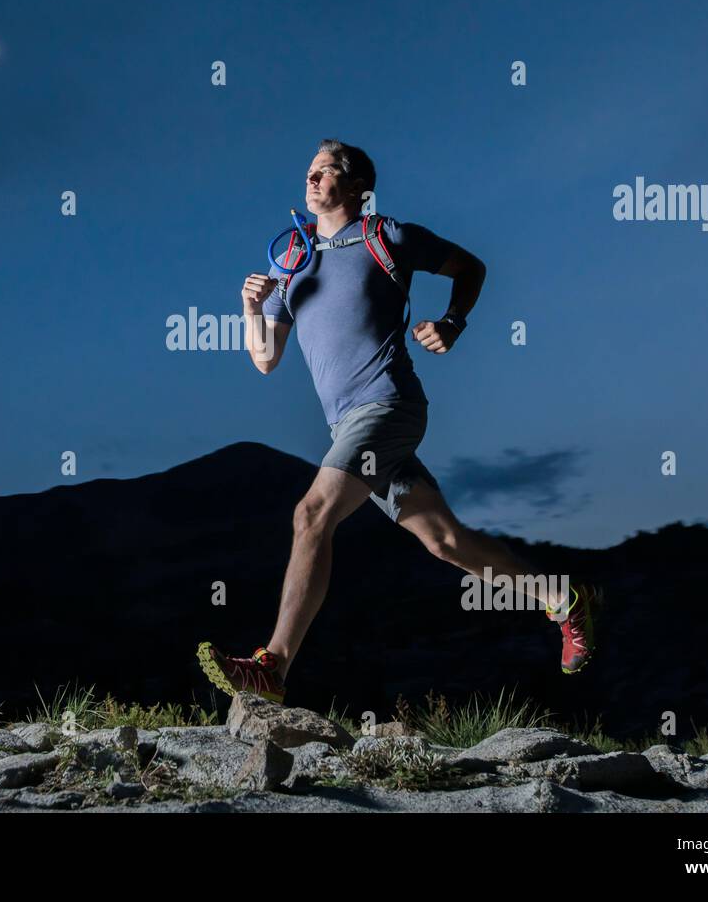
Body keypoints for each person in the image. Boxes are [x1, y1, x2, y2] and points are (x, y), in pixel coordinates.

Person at [197, 139, 599, 703]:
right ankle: (563, 601)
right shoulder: (290, 260)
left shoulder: (387, 237)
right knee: (444, 540)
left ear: (359, 185)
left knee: (311, 515)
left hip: (388, 406)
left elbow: (470, 267)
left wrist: (453, 322)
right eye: (308, 171)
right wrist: (249, 309)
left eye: (326, 169)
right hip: (349, 428)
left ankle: (273, 667)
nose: (312, 178)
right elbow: (265, 358)